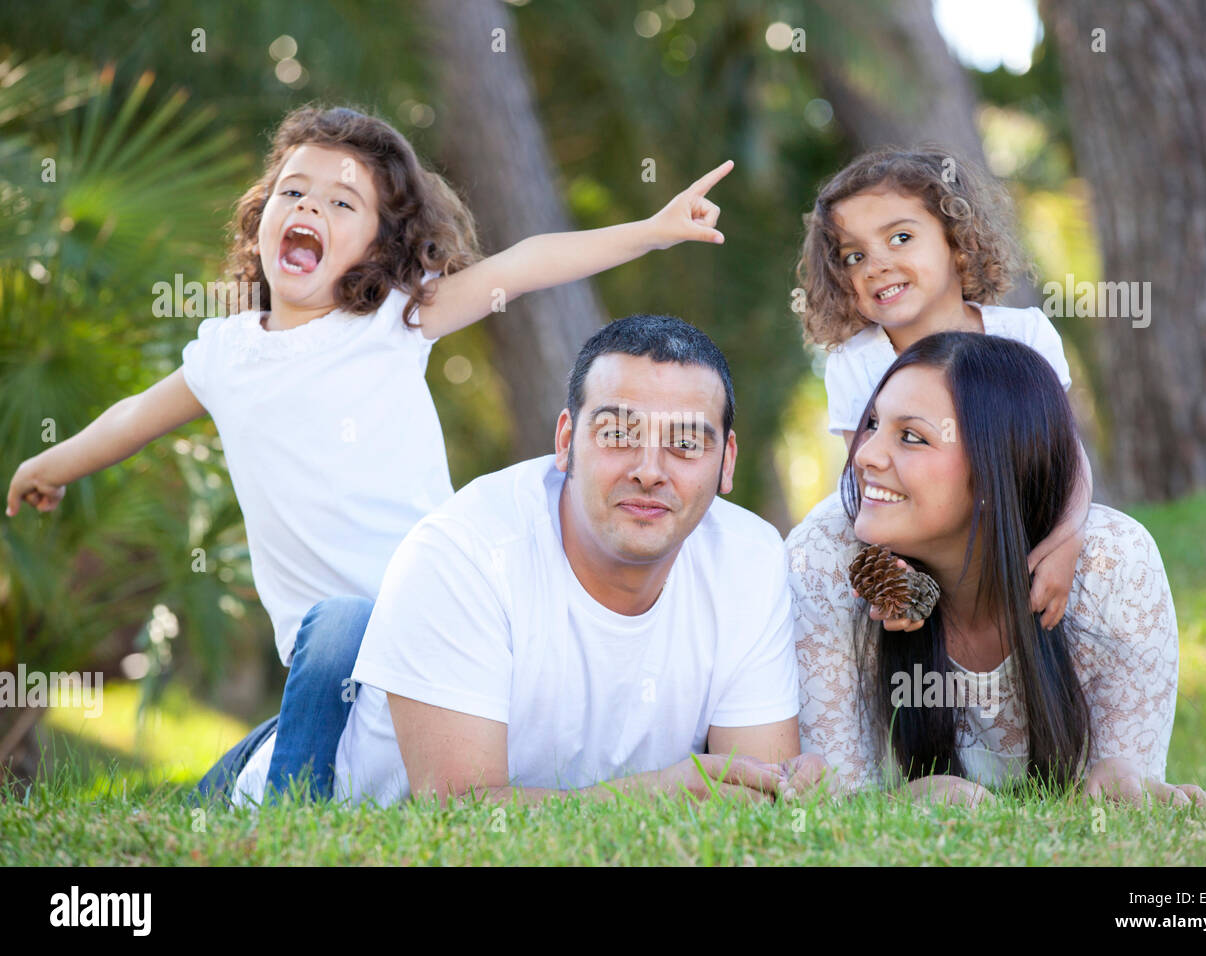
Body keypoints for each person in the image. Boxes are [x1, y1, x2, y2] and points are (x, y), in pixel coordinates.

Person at [5, 106, 736, 800]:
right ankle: (256, 792)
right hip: (329, 650)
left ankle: (284, 807)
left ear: (381, 243)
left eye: (342, 203)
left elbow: (528, 262)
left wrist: (651, 229)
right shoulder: (226, 355)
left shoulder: (393, 321)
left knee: (356, 632)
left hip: (434, 621)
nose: (310, 209)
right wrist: (52, 464)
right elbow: (137, 416)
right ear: (261, 214)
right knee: (337, 637)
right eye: (293, 191)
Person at [200, 315, 832, 806]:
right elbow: (460, 815)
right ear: (566, 442)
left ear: (726, 464)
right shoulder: (466, 550)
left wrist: (777, 785)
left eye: (686, 443)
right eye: (617, 433)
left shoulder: (749, 559)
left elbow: (751, 791)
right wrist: (663, 791)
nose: (648, 470)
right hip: (294, 785)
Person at [785, 331, 1206, 808]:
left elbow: (1122, 795)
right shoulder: (826, 557)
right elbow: (832, 799)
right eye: (871, 423)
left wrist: (1121, 778)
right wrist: (913, 797)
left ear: (996, 467)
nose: (864, 455)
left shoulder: (1112, 565)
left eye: (911, 436)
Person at [796, 146, 1088, 632]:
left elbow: (1067, 456)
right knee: (817, 551)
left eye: (901, 238)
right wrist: (889, 577)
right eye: (854, 256)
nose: (876, 265)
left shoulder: (1025, 334)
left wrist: (1067, 537)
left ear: (958, 242)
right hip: (900, 527)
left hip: (1014, 516)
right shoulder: (855, 362)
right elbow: (864, 480)